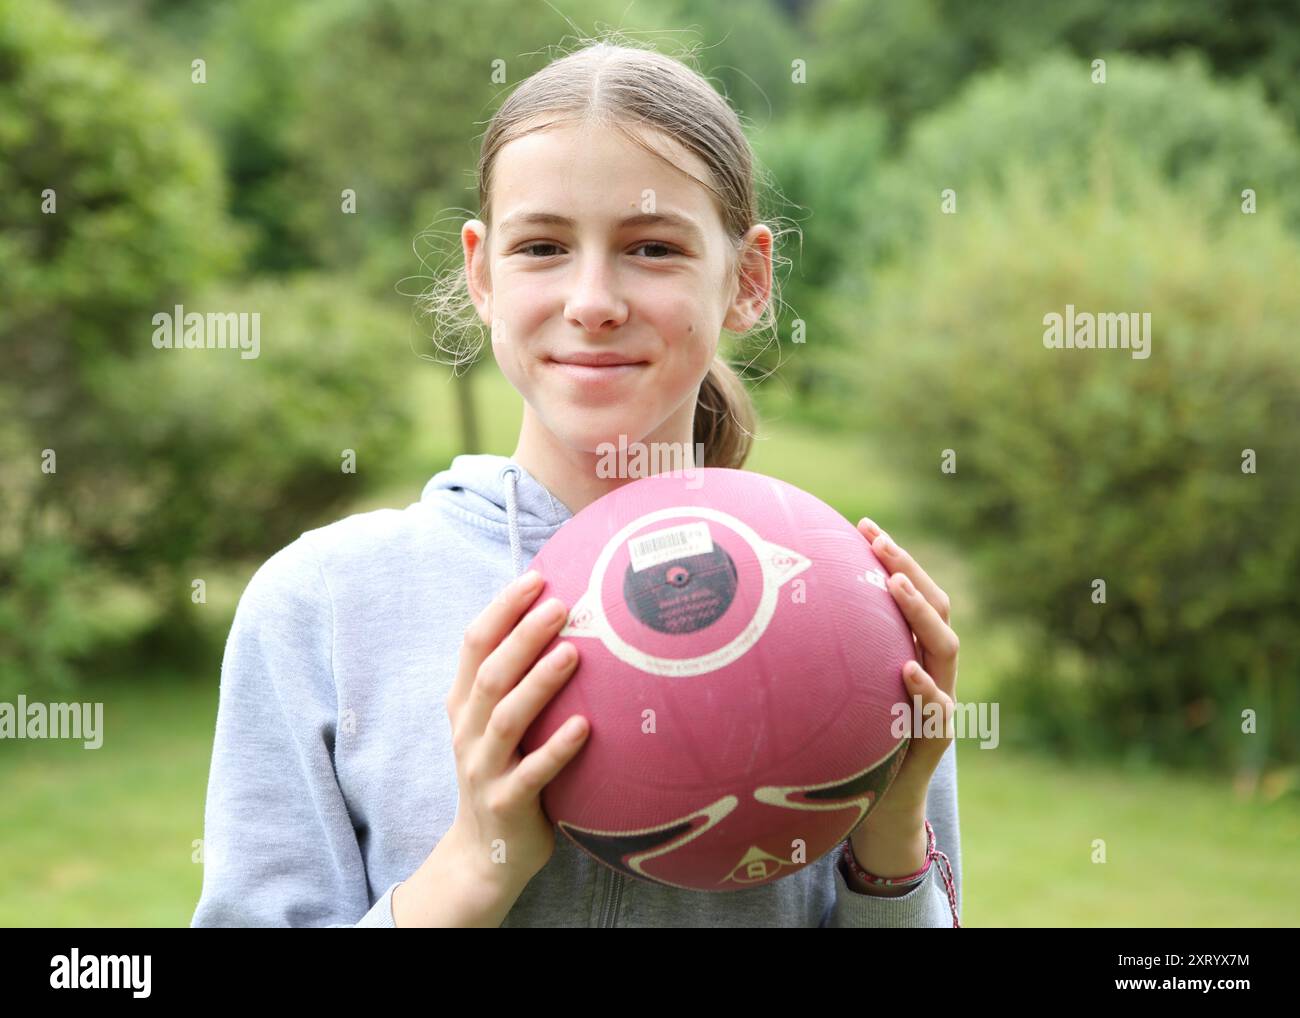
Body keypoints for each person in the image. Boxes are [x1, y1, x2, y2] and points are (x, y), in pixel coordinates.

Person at [191, 39, 962, 928]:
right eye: (545, 245)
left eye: (654, 248)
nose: (593, 300)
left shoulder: (852, 610)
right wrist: (473, 868)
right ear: (481, 272)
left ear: (748, 279)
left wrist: (891, 839)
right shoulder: (321, 603)